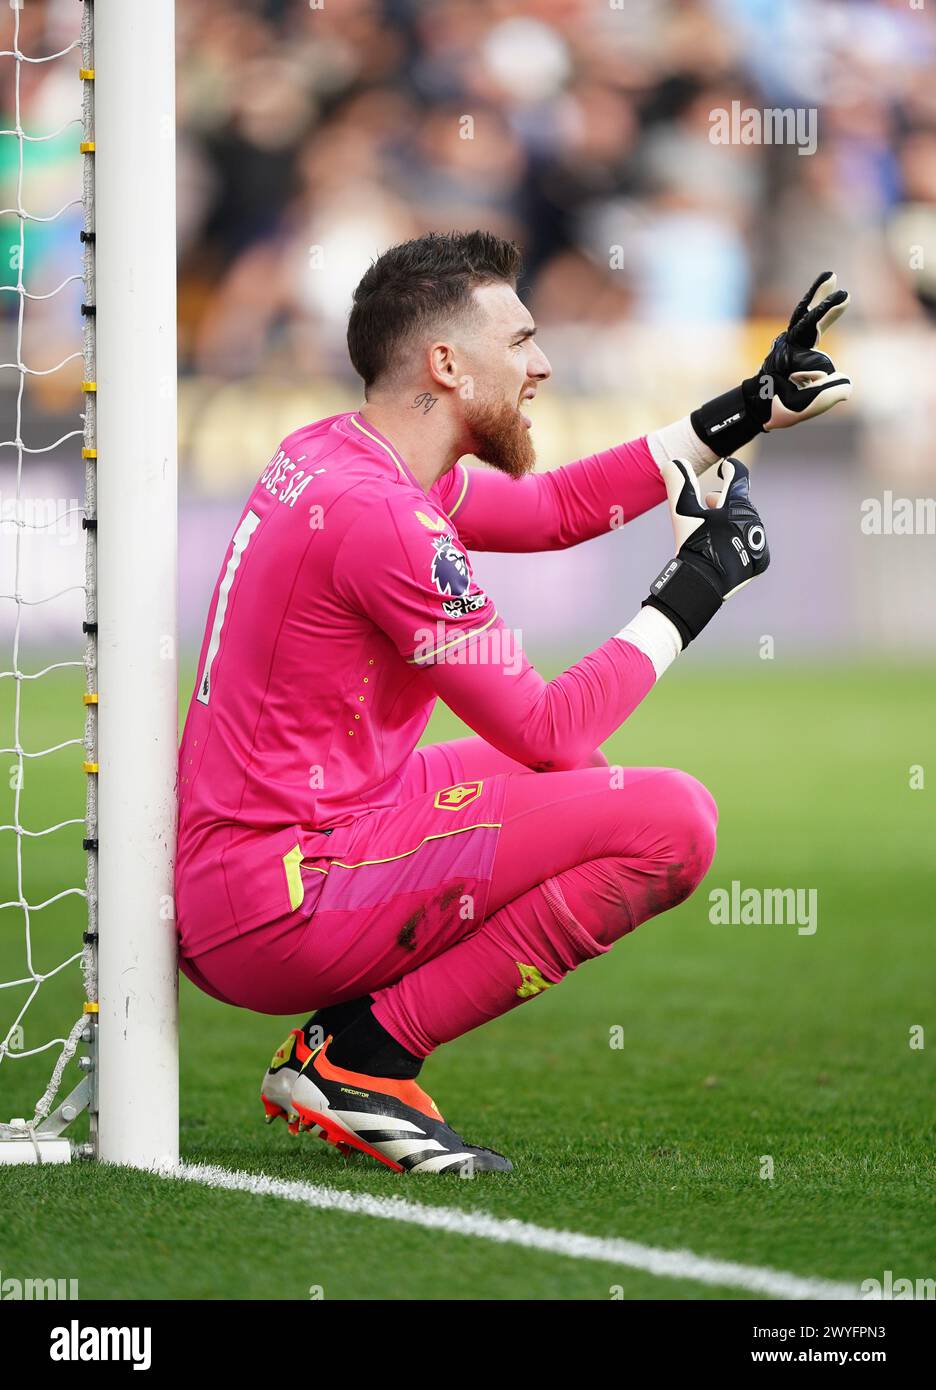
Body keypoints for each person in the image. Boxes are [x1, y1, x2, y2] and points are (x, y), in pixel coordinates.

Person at [175, 231, 850, 1174]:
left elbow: (552, 511)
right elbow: (543, 727)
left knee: (594, 781)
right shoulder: (387, 519)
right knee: (672, 824)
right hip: (277, 905)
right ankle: (363, 1057)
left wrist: (744, 411)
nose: (540, 364)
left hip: (247, 866)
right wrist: (698, 587)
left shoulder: (345, 454)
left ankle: (351, 1056)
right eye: (521, 340)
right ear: (445, 363)